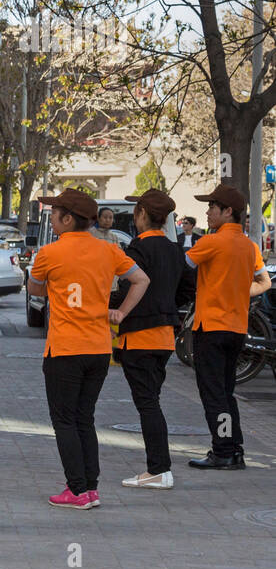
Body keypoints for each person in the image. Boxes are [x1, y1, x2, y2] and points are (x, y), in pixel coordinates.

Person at [29, 189, 148, 509]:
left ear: (68, 219)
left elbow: (35, 289)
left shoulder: (49, 254)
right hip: (98, 348)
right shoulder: (109, 250)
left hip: (65, 349)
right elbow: (141, 280)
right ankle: (90, 487)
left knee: (64, 420)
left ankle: (77, 490)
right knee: (84, 417)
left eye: (55, 214)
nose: (52, 219)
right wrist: (120, 313)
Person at [183, 184, 270, 470]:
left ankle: (222, 451)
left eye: (212, 207)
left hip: (210, 329)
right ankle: (234, 449)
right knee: (226, 391)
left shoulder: (211, 241)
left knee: (213, 394)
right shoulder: (249, 246)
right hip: (236, 328)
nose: (207, 212)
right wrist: (237, 292)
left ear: (227, 211)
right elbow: (264, 282)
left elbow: (183, 266)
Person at [113, 190, 194, 490]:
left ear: (143, 214)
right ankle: (158, 468)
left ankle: (159, 470)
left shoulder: (137, 249)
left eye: (136, 212)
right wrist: (166, 306)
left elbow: (125, 289)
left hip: (139, 338)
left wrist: (118, 307)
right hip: (164, 338)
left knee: (147, 405)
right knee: (152, 402)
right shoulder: (175, 250)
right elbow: (189, 286)